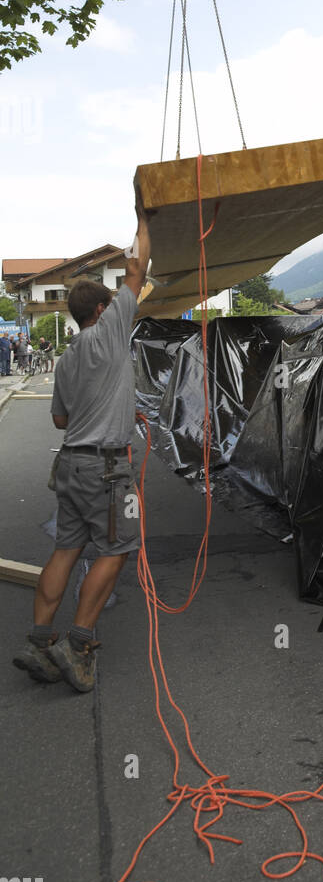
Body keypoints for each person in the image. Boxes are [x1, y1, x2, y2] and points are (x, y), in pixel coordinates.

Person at [12, 201, 151, 693]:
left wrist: (113, 409)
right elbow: (138, 267)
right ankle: (79, 643)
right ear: (101, 310)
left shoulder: (69, 358)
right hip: (106, 471)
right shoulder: (113, 330)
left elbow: (60, 419)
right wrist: (144, 218)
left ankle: (40, 641)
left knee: (66, 549)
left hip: (70, 464)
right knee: (115, 550)